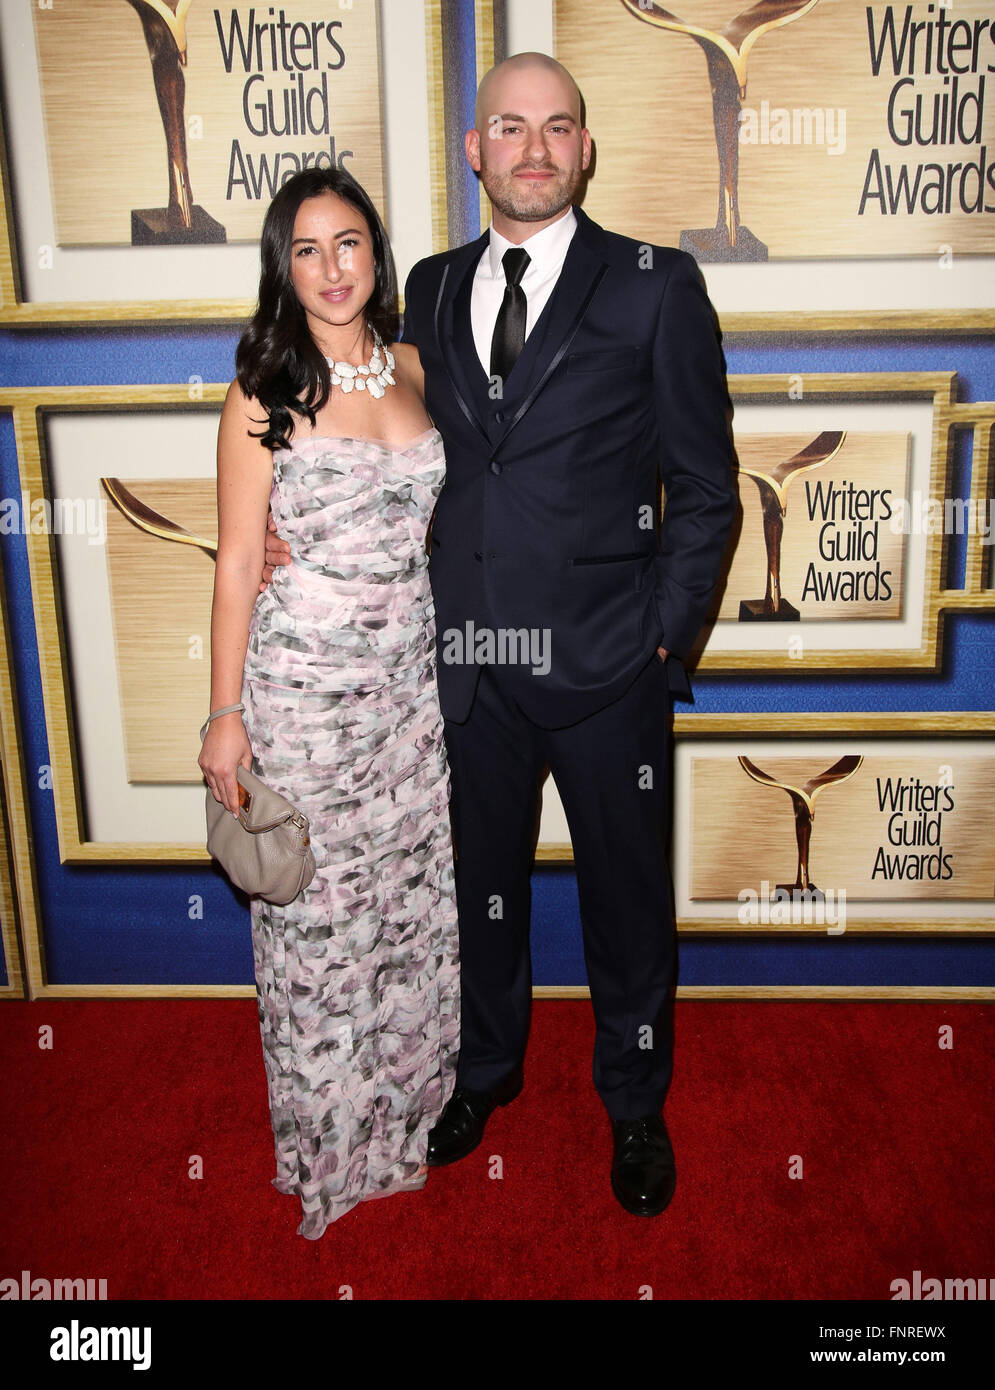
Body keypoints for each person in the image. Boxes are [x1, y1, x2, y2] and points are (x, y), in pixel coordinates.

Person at [266, 54, 737, 1217]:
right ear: (473, 149)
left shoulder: (653, 285)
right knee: (474, 889)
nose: (533, 149)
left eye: (557, 128)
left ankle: (633, 1101)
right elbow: (348, 410)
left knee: (626, 897)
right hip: (461, 669)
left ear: (585, 149)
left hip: (606, 666)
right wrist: (281, 524)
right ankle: (483, 1071)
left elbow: (706, 486)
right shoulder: (421, 285)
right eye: (509, 129)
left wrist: (663, 641)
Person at [199, 166, 459, 1239]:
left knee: (402, 913)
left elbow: (426, 516)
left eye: (346, 242)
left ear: (373, 251)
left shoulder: (409, 364)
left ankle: (403, 1118)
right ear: (282, 267)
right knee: (317, 924)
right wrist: (223, 714)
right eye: (304, 250)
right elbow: (233, 561)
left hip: (407, 687)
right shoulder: (263, 385)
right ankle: (328, 1147)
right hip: (304, 693)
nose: (329, 268)